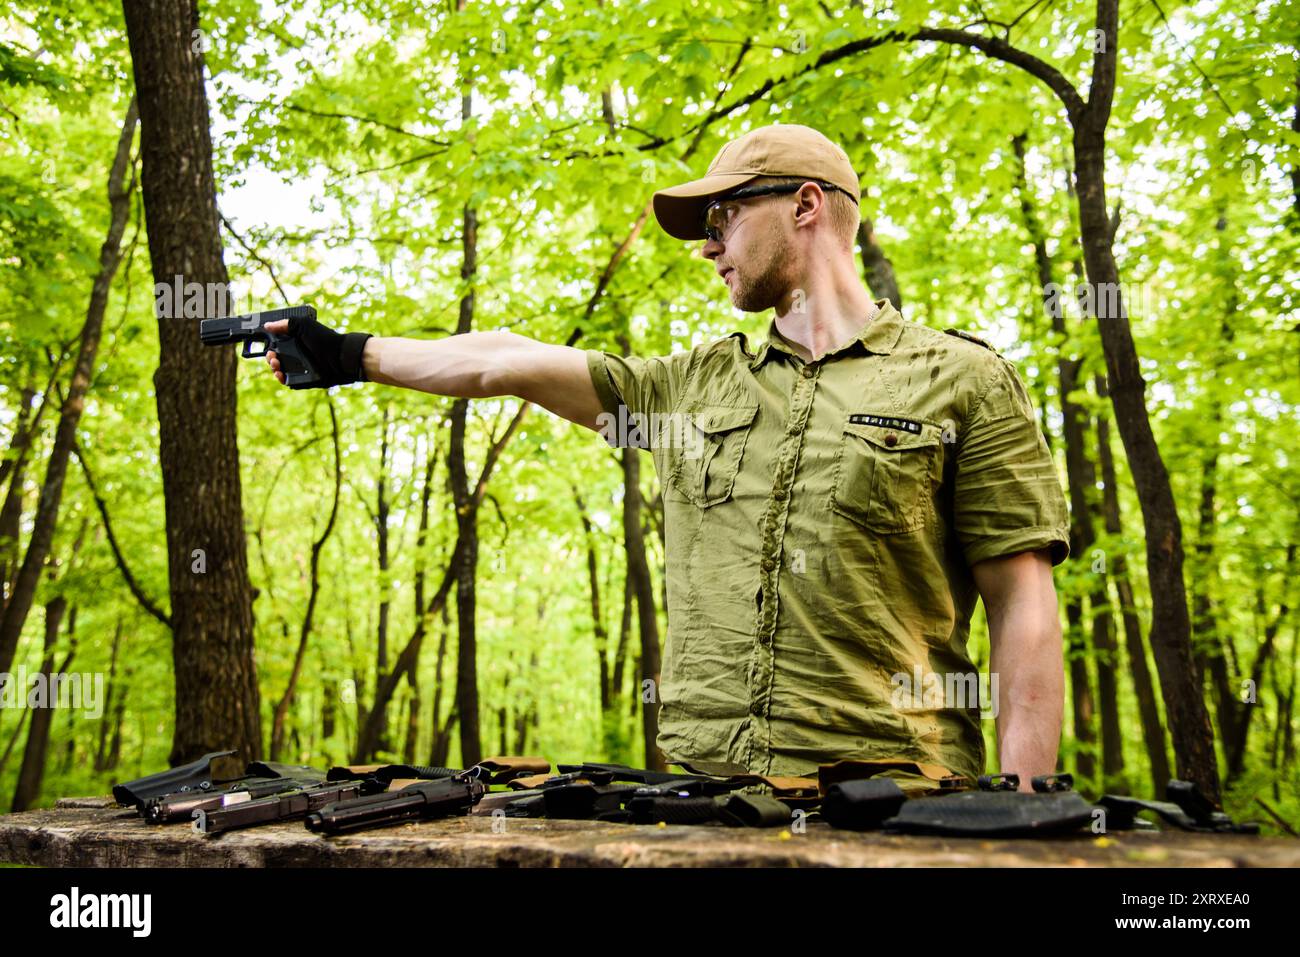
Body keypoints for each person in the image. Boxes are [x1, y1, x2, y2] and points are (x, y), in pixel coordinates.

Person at [264, 123, 1070, 792]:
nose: (708, 244)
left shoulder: (962, 381)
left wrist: (1026, 810)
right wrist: (346, 353)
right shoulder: (688, 389)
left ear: (806, 206)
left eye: (722, 216)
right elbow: (502, 359)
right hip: (713, 802)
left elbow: (1022, 607)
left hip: (901, 800)